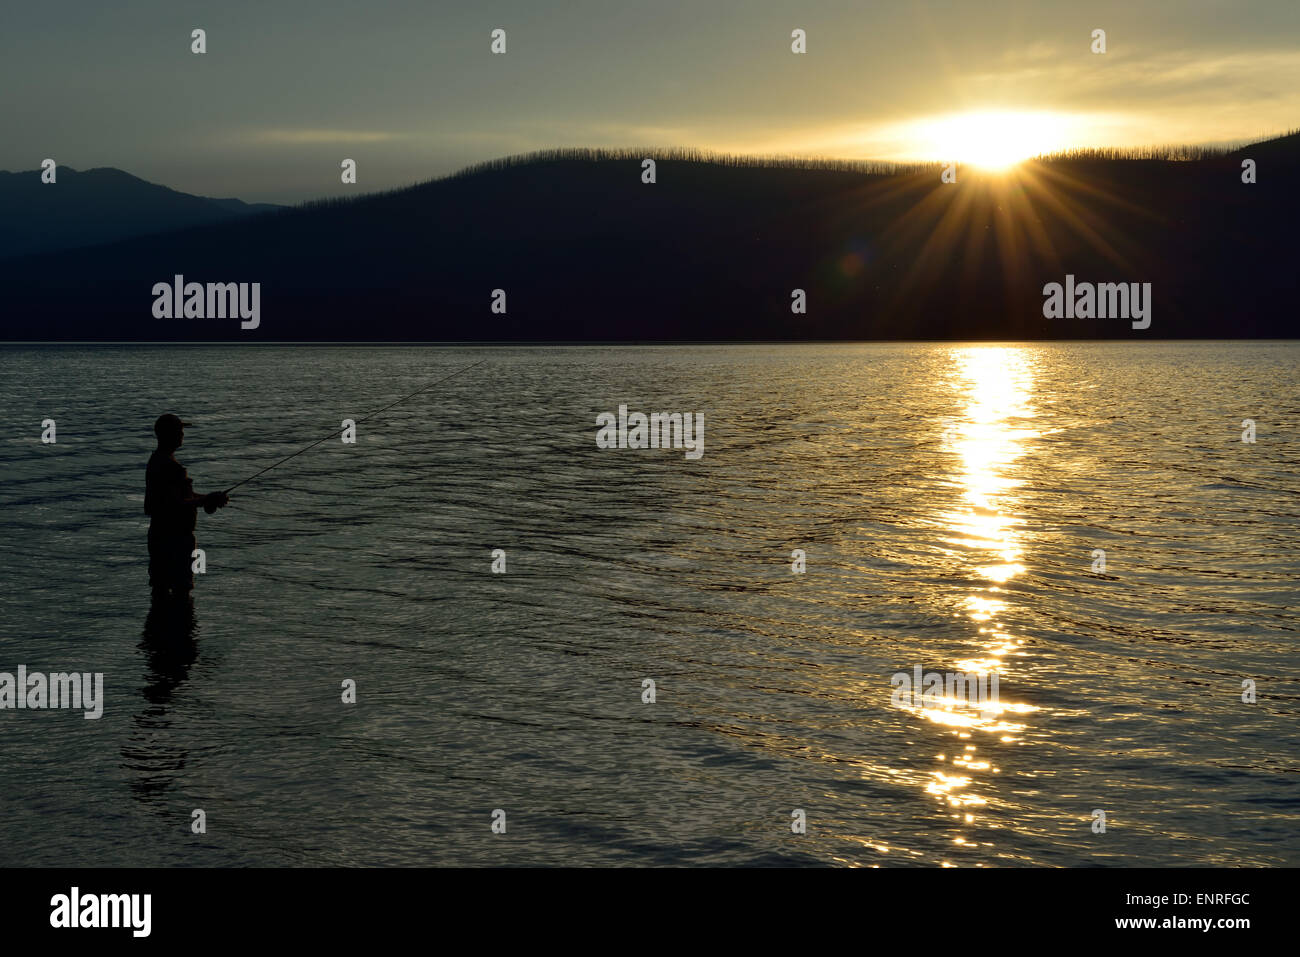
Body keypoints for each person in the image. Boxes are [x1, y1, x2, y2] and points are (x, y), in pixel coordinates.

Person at [145, 413, 228, 599]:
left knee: (160, 590)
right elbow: (176, 504)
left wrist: (207, 498)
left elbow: (183, 497)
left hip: (160, 536)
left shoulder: (156, 461)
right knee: (182, 591)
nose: (182, 434)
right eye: (179, 431)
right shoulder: (170, 467)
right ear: (169, 434)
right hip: (175, 540)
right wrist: (207, 500)